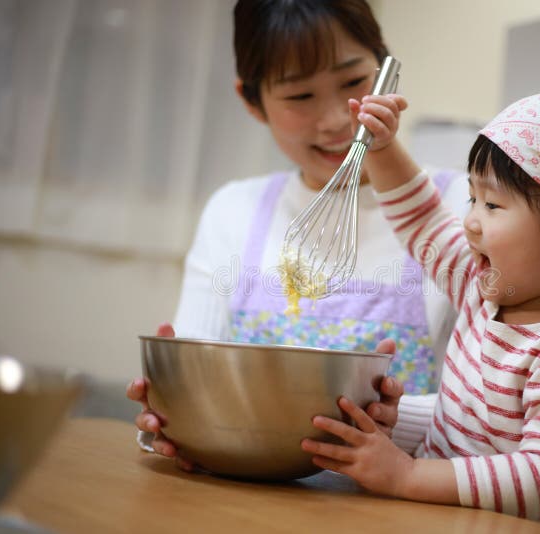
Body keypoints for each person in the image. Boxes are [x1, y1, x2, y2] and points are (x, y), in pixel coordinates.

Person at [300, 88, 540, 531]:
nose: (470, 220)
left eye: (492, 205)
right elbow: (422, 219)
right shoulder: (481, 285)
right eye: (471, 198)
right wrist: (385, 147)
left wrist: (405, 474)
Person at [127, 0, 468, 468]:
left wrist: (396, 419)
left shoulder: (465, 209)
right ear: (252, 101)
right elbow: (194, 382)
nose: (333, 120)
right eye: (299, 97)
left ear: (387, 72)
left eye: (353, 83)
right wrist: (175, 417)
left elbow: (493, 413)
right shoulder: (233, 210)